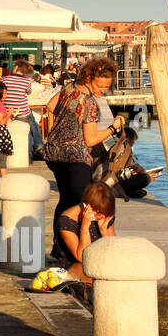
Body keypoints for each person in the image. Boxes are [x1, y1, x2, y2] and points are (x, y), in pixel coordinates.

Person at [42, 57, 126, 217]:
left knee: (65, 200)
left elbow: (51, 106)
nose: (103, 90)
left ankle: (59, 241)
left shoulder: (69, 87)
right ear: (89, 78)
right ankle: (79, 238)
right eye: (100, 86)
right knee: (82, 204)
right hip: (76, 158)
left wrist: (57, 131)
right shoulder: (90, 103)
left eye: (106, 87)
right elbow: (91, 140)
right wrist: (113, 128)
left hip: (54, 153)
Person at [50, 181, 117, 282]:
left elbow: (114, 252)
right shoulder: (67, 221)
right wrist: (85, 226)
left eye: (106, 213)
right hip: (72, 264)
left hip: (97, 261)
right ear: (87, 206)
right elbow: (82, 257)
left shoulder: (103, 215)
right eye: (100, 213)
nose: (102, 216)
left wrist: (104, 231)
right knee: (92, 276)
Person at [1, 60, 44, 159]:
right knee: (33, 122)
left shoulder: (4, 79)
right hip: (22, 113)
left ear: (16, 68)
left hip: (7, 112)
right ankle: (39, 145)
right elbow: (29, 92)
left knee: (31, 119)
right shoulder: (26, 81)